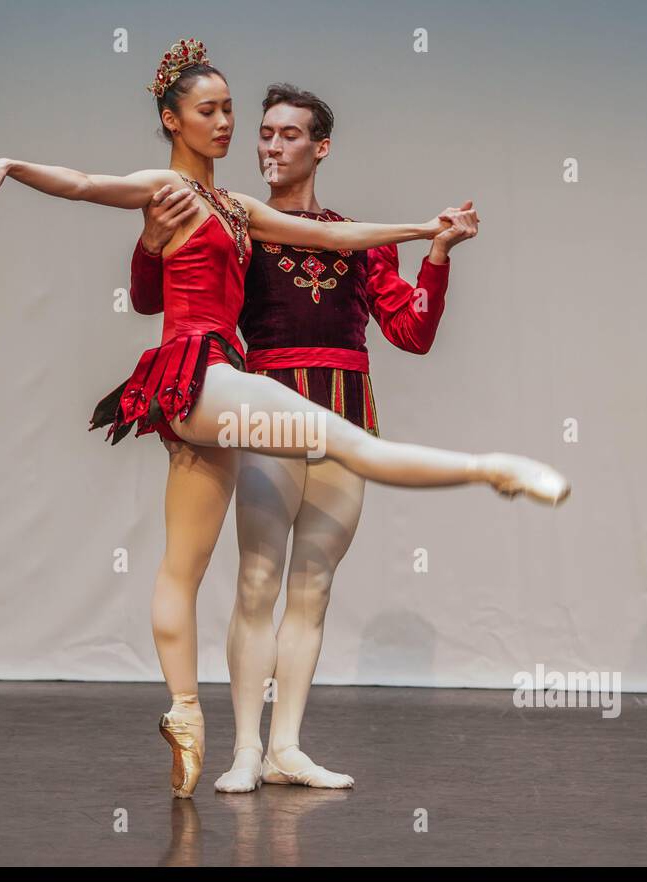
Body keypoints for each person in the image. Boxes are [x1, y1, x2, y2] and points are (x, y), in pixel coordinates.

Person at [0, 37, 571, 799]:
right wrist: (18, 169)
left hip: (288, 393)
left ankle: (240, 731)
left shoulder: (243, 214)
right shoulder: (194, 204)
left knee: (254, 577)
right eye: (230, 118)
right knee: (261, 568)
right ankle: (485, 470)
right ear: (176, 121)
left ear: (320, 146)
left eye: (257, 122)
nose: (248, 135)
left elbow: (371, 277)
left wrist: (428, 240)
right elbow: (113, 225)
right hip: (231, 387)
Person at [126, 83, 477, 792]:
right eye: (264, 133)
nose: (268, 145)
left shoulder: (357, 242)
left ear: (320, 147)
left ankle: (286, 745)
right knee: (257, 580)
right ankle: (246, 749)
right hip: (268, 416)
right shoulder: (240, 228)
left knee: (312, 587)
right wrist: (150, 240)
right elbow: (152, 298)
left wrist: (436, 254)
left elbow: (412, 331)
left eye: (288, 134)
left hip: (346, 416)